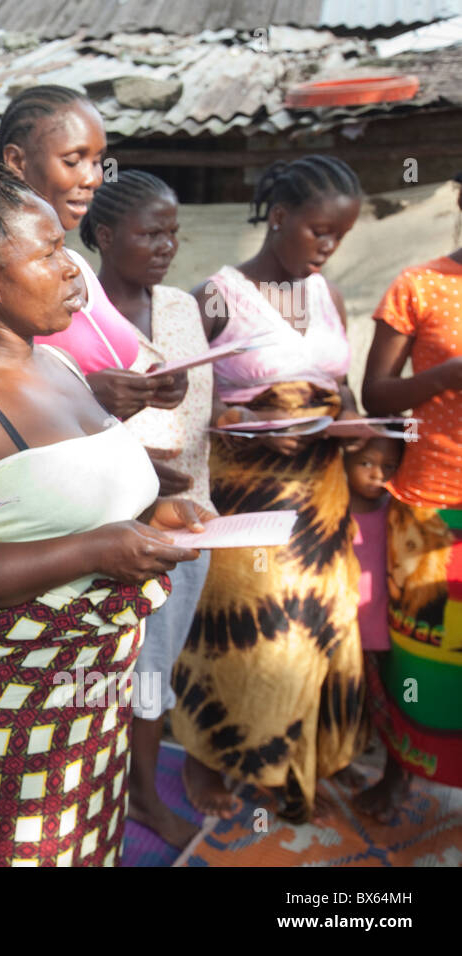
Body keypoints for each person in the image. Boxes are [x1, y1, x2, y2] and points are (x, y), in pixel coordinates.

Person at [0, 158, 209, 866]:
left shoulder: (60, 369)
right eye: (48, 254)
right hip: (2, 704)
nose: (73, 271)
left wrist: (155, 515)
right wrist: (97, 551)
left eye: (66, 249)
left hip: (90, 690)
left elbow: (66, 506)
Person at [172, 156, 366, 824]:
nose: (328, 248)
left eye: (339, 236)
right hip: (247, 498)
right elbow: (184, 410)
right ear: (277, 217)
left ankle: (289, 767)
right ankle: (206, 762)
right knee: (241, 641)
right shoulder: (216, 296)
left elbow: (346, 393)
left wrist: (351, 423)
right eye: (318, 232)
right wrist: (240, 423)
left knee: (313, 632)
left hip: (321, 496)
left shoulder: (328, 295)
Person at [77, 170, 216, 848]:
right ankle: (113, 796)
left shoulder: (183, 310)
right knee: (105, 666)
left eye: (173, 233)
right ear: (104, 236)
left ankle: (136, 792)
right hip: (105, 526)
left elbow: (195, 419)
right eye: (150, 232)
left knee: (160, 660)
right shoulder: (70, 311)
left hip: (188, 513)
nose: (167, 246)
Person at [0, 85, 186, 429]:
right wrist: (83, 396)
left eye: (98, 161)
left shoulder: (78, 266)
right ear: (16, 161)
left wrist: (148, 388)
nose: (93, 178)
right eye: (73, 161)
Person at [359, 188, 462, 813]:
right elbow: (376, 394)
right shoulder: (418, 285)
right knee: (420, 654)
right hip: (427, 509)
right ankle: (403, 771)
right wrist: (446, 377)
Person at [340, 438, 408, 819]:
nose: (377, 474)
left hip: (384, 636)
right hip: (342, 633)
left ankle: (396, 776)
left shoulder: (398, 512)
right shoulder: (333, 511)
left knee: (387, 710)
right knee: (343, 705)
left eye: (389, 466)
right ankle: (339, 760)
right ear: (345, 458)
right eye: (365, 461)